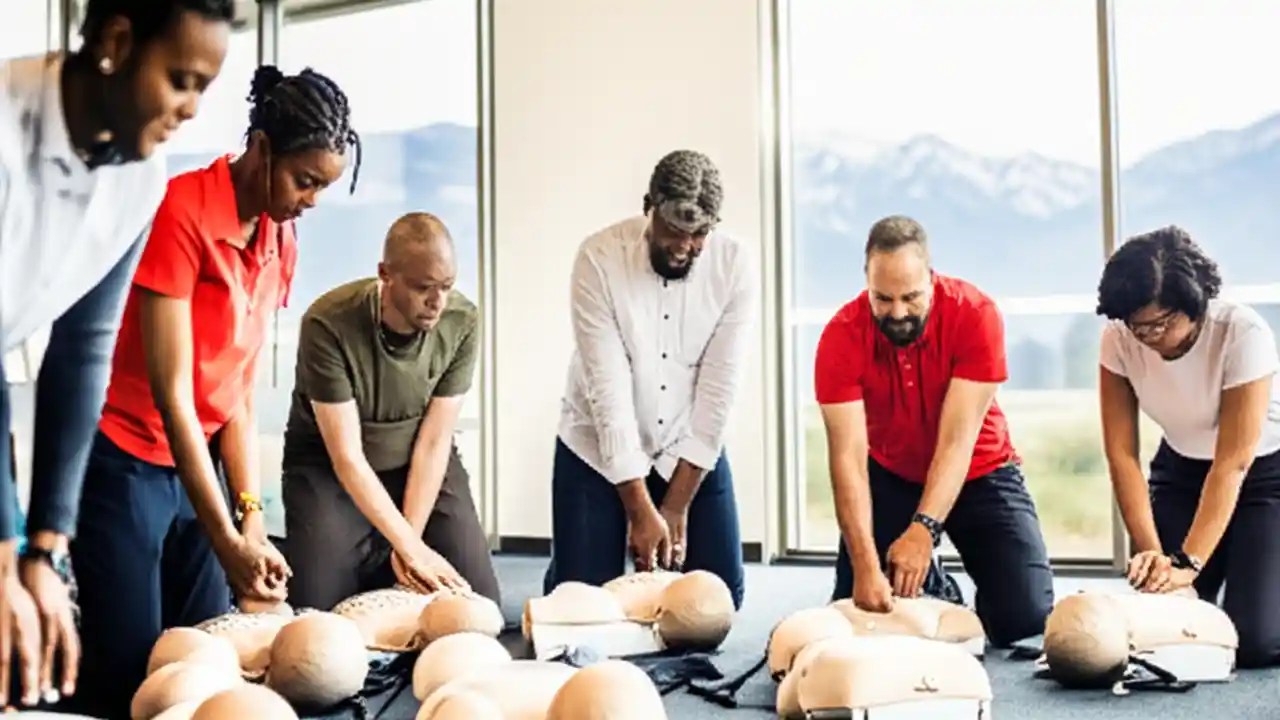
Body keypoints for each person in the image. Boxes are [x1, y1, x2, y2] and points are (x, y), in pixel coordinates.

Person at [66, 64, 361, 717]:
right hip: (126, 465)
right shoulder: (181, 211)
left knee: (206, 661)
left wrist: (249, 518)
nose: (312, 200)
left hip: (198, 468)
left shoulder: (281, 237)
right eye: (304, 180)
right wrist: (226, 539)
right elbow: (173, 394)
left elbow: (240, 389)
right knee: (131, 680)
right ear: (261, 149)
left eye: (323, 186)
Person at [0, 0, 234, 708]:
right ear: (117, 41)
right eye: (181, 80)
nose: (192, 109)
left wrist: (45, 548)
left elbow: (83, 349)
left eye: (204, 88)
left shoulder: (141, 178)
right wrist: (6, 551)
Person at [814, 215, 1054, 647]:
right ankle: (935, 587)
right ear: (866, 282)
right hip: (892, 472)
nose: (897, 313)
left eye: (911, 297)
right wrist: (865, 564)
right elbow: (848, 459)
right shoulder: (840, 336)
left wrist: (924, 529)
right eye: (883, 298)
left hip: (980, 469)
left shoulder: (976, 314)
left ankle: (937, 577)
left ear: (931, 277)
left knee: (1024, 620)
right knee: (859, 610)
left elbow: (957, 442)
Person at [543, 149, 757, 610]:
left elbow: (718, 394)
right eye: (674, 230)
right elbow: (608, 393)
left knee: (718, 600)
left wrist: (675, 506)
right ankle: (572, 561)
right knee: (584, 605)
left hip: (685, 446)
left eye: (698, 234)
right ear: (649, 208)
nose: (683, 245)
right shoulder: (598, 257)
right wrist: (639, 509)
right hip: (596, 447)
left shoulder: (735, 265)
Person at [281, 212, 500, 610]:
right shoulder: (327, 323)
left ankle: (384, 556)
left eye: (446, 287)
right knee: (317, 611)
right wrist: (410, 547)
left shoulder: (462, 321)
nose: (436, 302)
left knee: (478, 604)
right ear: (385, 275)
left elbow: (434, 442)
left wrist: (408, 546)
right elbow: (347, 456)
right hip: (329, 468)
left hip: (417, 457)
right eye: (422, 288)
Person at [1097, 226, 1280, 668]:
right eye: (1136, 324)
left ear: (1194, 303)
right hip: (1181, 472)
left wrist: (1189, 561)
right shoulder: (1119, 339)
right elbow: (1122, 455)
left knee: (1255, 641)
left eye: (1161, 322)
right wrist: (1154, 556)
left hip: (1264, 478)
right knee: (1164, 616)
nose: (1147, 335)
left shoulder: (1241, 332)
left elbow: (1232, 463)